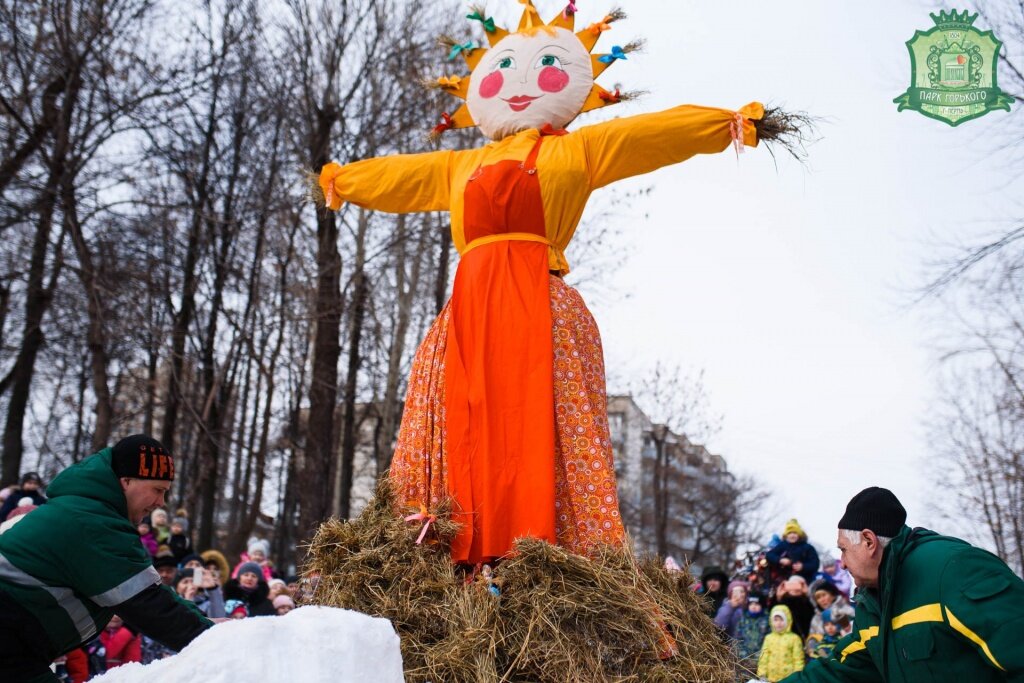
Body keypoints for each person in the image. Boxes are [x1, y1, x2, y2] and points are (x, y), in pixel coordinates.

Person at [318, 0, 796, 566]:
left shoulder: (579, 149)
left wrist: (721, 123)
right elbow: (399, 174)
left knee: (547, 430)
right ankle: (455, 552)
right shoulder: (459, 166)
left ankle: (544, 556)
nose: (519, 88)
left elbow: (649, 135)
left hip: (539, 307)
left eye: (543, 68)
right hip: (469, 316)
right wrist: (342, 180)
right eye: (502, 73)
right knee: (459, 424)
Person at [0, 434, 213, 682]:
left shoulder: (85, 510)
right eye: (157, 490)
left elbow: (151, 592)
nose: (160, 502)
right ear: (126, 481)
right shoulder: (92, 522)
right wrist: (217, 640)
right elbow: (148, 605)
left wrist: (203, 622)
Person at [782, 486, 1024, 682]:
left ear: (869, 541)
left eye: (843, 549)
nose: (842, 563)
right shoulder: (871, 604)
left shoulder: (954, 570)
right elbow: (840, 671)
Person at [757, 604, 805, 682]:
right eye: (775, 620)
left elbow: (798, 660)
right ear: (771, 621)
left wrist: (797, 676)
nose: (778, 623)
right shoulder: (768, 638)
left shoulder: (795, 638)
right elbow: (763, 658)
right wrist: (762, 674)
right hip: (771, 679)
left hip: (788, 679)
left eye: (781, 619)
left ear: (788, 620)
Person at [766, 519, 820, 583]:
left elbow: (815, 564)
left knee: (794, 580)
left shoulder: (808, 547)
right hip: (783, 576)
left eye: (794, 533)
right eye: (789, 533)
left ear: (799, 534)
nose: (792, 535)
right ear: (786, 535)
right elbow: (769, 555)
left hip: (803, 577)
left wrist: (803, 566)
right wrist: (780, 560)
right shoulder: (783, 545)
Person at [774, 575, 815, 641]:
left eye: (797, 584)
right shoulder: (783, 601)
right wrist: (778, 597)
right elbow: (774, 615)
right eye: (791, 584)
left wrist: (808, 595)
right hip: (786, 640)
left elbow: (812, 613)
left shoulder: (806, 602)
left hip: (805, 638)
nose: (794, 588)